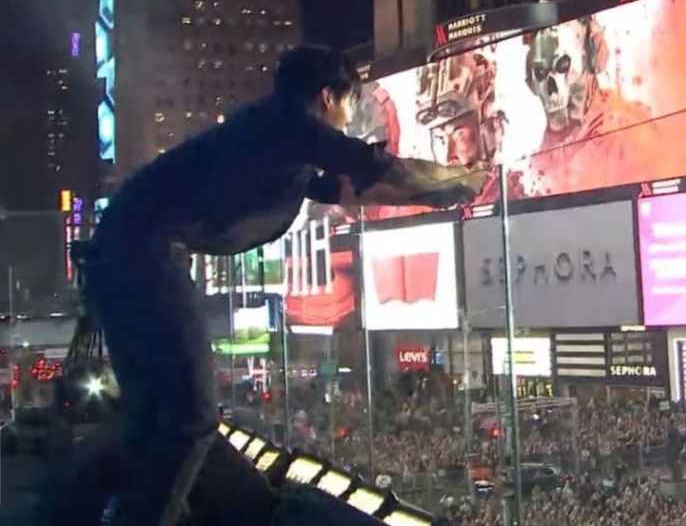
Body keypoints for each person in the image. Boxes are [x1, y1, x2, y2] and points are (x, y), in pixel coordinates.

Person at [82, 45, 489, 526]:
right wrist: (460, 180)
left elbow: (350, 189)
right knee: (188, 417)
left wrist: (432, 197)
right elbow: (381, 169)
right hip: (141, 254)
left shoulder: (274, 138)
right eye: (349, 105)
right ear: (327, 96)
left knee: (160, 414)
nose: (348, 119)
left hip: (124, 251)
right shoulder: (289, 127)